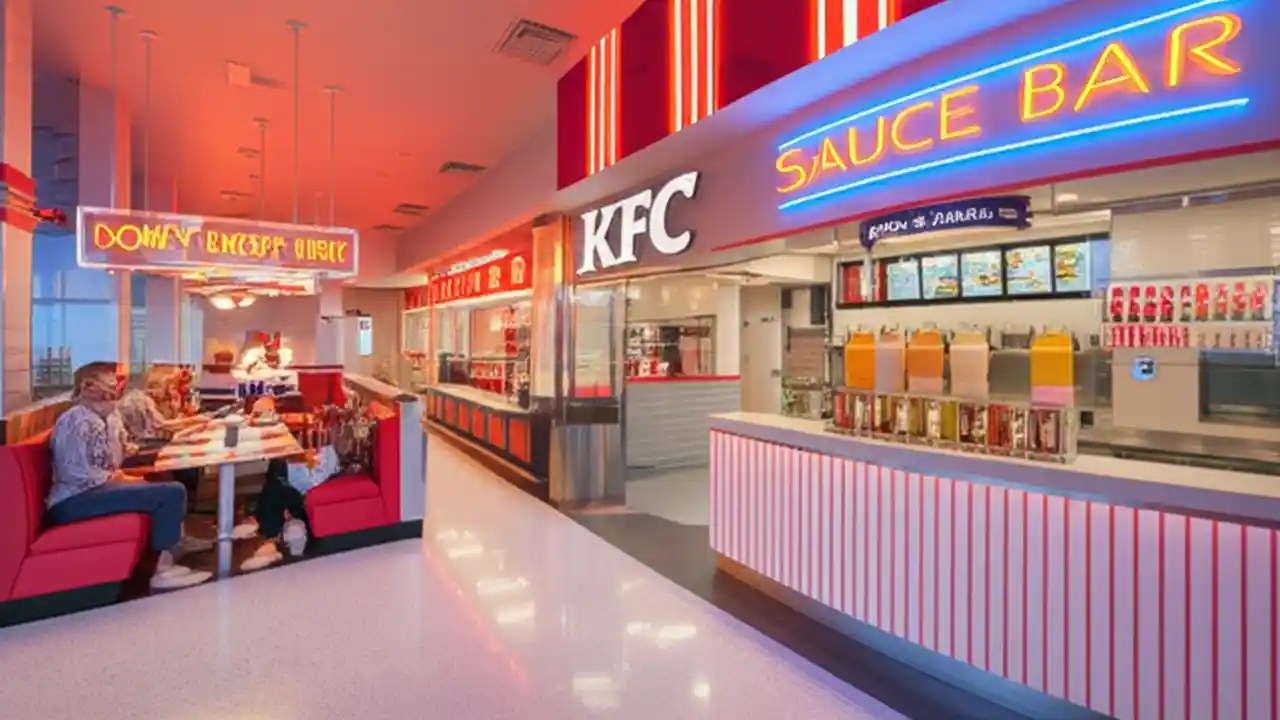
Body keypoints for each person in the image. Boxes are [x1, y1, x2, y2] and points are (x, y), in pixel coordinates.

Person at [46, 361, 212, 591]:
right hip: (73, 500)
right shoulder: (77, 421)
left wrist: (122, 471)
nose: (117, 386)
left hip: (94, 489)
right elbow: (81, 474)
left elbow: (118, 455)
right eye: (110, 381)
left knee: (166, 487)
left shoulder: (109, 417)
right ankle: (162, 571)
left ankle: (173, 547)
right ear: (89, 386)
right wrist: (121, 478)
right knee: (171, 492)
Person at [237, 394, 373, 571]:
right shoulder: (348, 427)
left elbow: (345, 456)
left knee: (280, 475)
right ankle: (268, 534)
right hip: (327, 464)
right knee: (279, 469)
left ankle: (269, 538)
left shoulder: (356, 437)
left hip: (333, 469)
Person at [117, 371, 214, 555]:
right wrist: (196, 422)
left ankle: (180, 531)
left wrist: (189, 420)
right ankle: (175, 541)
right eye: (168, 387)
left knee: (186, 452)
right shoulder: (139, 400)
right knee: (183, 456)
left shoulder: (143, 399)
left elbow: (162, 427)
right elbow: (159, 430)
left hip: (141, 448)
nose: (171, 390)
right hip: (135, 455)